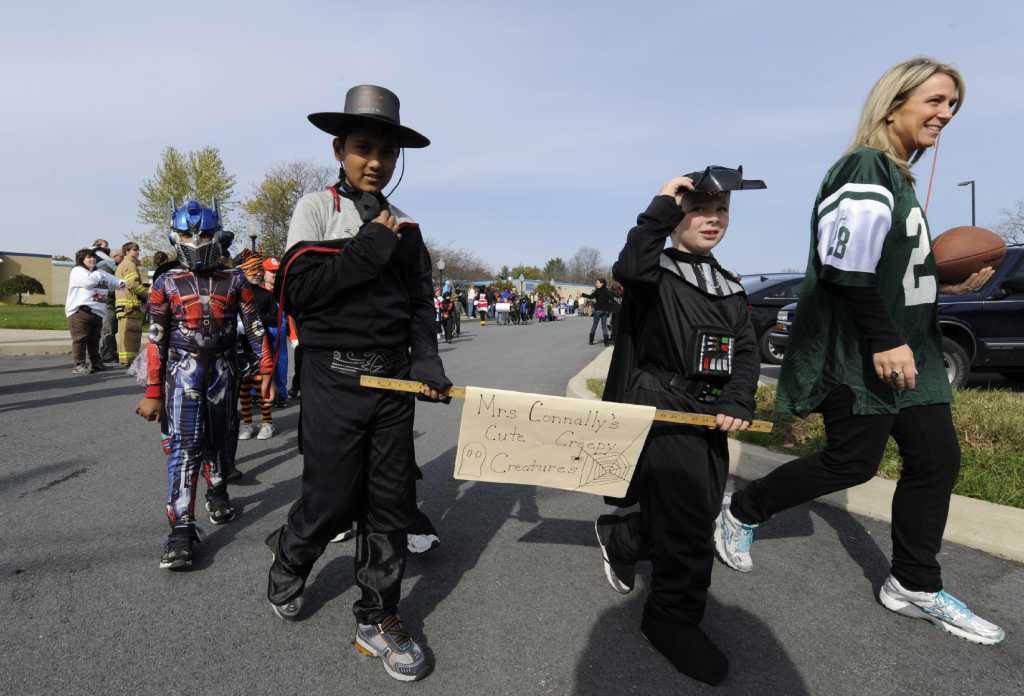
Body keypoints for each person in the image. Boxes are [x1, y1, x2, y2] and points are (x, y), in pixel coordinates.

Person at [714, 58, 1004, 646]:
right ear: (894, 103)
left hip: (911, 352)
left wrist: (943, 284)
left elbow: (885, 267)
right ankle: (743, 509)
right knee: (851, 463)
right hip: (862, 350)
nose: (946, 114)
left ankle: (913, 584)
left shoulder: (897, 176)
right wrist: (885, 337)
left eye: (954, 105)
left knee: (936, 462)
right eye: (937, 101)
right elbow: (846, 269)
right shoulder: (864, 167)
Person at [265, 84, 449, 682]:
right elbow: (301, 293)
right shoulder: (315, 210)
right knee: (332, 497)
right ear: (340, 149)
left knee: (391, 504)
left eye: (387, 152)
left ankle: (379, 615)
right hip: (332, 377)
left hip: (393, 386)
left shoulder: (410, 228)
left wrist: (427, 363)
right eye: (363, 148)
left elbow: (421, 303)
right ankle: (293, 554)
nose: (376, 161)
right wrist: (371, 243)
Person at [594, 166, 764, 685]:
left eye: (722, 211)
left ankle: (625, 537)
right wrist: (662, 203)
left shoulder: (730, 286)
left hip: (706, 412)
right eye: (698, 209)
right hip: (656, 407)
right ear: (677, 217)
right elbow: (631, 260)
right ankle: (670, 619)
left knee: (696, 507)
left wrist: (738, 396)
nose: (712, 220)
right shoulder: (652, 273)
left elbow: (747, 352)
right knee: (692, 521)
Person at [135, 200, 273, 570]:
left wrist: (267, 370)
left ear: (218, 235)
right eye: (186, 235)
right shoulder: (166, 282)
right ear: (175, 236)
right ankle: (181, 528)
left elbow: (255, 327)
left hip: (224, 369)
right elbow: (156, 338)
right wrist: (152, 392)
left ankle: (217, 488)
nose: (196, 242)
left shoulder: (236, 279)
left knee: (223, 436)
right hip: (183, 370)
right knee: (184, 445)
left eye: (204, 234)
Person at [65, 248, 126, 373]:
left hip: (97, 313)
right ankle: (79, 365)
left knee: (94, 340)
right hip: (80, 312)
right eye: (88, 257)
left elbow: (117, 283)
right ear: (81, 260)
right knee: (80, 339)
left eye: (93, 257)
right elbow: (88, 282)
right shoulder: (77, 271)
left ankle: (96, 363)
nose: (92, 259)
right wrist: (100, 274)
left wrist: (125, 283)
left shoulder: (100, 272)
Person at [236, 252, 277, 440]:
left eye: (258, 269)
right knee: (244, 387)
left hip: (261, 345)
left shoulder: (265, 295)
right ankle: (247, 423)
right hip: (240, 347)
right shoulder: (235, 293)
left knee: (263, 386)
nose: (256, 273)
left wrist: (256, 321)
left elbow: (276, 319)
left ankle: (267, 422)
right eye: (251, 269)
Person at [114, 242, 148, 366]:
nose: (137, 252)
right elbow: (132, 284)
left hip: (129, 307)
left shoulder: (127, 264)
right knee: (129, 336)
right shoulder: (129, 265)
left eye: (138, 249)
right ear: (127, 251)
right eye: (134, 250)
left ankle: (127, 360)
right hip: (130, 307)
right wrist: (147, 294)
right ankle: (127, 360)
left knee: (129, 335)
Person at [582, 278, 613, 344]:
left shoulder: (597, 290)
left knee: (594, 325)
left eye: (597, 283)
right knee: (604, 327)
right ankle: (606, 342)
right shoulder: (607, 290)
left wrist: (582, 294)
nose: (596, 284)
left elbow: (590, 297)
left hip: (598, 310)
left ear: (602, 284)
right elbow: (611, 300)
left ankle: (591, 341)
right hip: (605, 311)